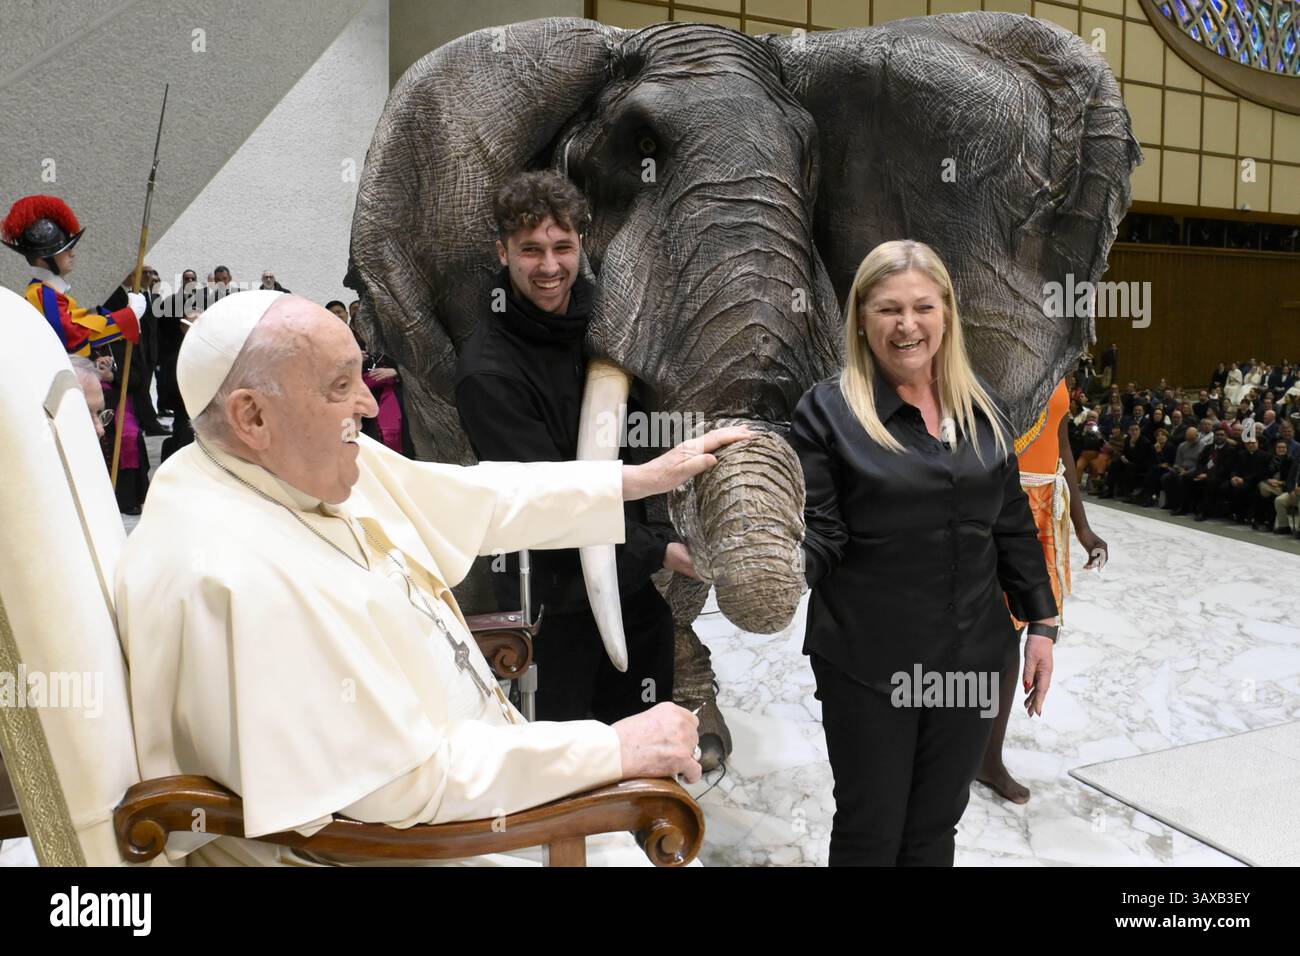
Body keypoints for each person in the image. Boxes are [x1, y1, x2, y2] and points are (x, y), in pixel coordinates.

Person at [116, 289, 752, 866]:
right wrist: (612, 749)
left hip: (463, 781)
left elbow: (478, 496)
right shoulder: (229, 574)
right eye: (341, 385)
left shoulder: (284, 465)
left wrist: (635, 479)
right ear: (252, 416)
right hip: (404, 845)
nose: (368, 402)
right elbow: (396, 787)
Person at [791, 240, 1057, 866]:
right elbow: (821, 536)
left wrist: (1042, 623)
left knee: (936, 829)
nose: (907, 325)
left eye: (922, 307)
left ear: (947, 314)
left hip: (971, 658)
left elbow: (1012, 526)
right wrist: (764, 568)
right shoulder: (827, 412)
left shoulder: (982, 406)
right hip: (868, 664)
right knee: (871, 831)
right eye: (888, 309)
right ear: (860, 317)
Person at [456, 171, 686, 727]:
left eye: (563, 247)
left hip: (626, 588)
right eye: (531, 250)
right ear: (502, 251)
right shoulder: (487, 369)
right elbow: (548, 500)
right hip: (548, 603)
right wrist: (660, 551)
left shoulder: (610, 323)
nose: (550, 267)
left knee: (647, 745)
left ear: (581, 243)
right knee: (568, 775)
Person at [977, 375, 1106, 804]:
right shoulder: (983, 347)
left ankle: (988, 758)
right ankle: (939, 741)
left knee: (1016, 632)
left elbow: (1062, 443)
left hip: (1044, 504)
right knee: (970, 628)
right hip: (993, 497)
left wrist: (1083, 527)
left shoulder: (1057, 358)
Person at [2, 195, 144, 356]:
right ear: (43, 259)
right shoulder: (42, 293)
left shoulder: (48, 292)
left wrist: (115, 315)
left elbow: (80, 321)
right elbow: (73, 337)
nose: (72, 254)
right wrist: (128, 316)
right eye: (65, 250)